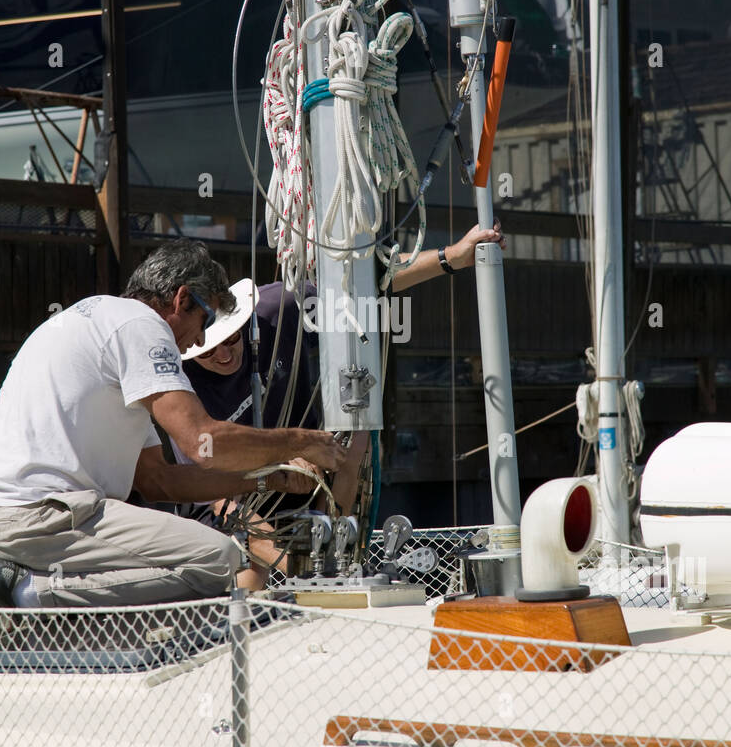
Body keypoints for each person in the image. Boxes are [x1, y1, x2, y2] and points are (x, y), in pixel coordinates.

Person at [0, 240, 345, 622]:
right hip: (42, 515)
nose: (200, 340)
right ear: (182, 299)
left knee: (206, 553)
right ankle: (26, 594)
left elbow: (159, 480)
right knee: (221, 558)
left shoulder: (96, 318)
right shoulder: (142, 327)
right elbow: (203, 443)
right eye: (204, 321)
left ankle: (29, 585)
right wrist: (302, 440)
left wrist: (265, 480)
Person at [175, 223, 505, 584]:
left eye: (233, 340)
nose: (224, 355)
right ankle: (303, 581)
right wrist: (277, 465)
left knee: (356, 433)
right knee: (243, 551)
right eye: (207, 351)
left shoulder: (276, 309)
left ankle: (332, 558)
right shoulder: (181, 382)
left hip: (306, 472)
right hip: (234, 489)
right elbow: (207, 484)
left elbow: (359, 286)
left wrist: (451, 257)